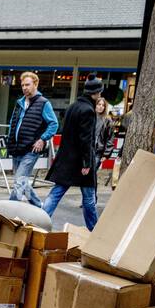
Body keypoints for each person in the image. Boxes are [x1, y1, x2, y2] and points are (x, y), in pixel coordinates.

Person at [42, 75, 108, 230]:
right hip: (80, 162)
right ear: (97, 93)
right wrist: (87, 163)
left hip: (67, 159)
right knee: (89, 199)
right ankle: (94, 230)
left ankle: (41, 221)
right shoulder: (88, 110)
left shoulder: (73, 106)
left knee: (56, 192)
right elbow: (86, 139)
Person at [6, 71, 58, 208]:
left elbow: (54, 124)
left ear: (35, 84)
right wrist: (9, 139)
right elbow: (13, 122)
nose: (24, 88)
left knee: (19, 181)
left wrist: (42, 139)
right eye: (22, 85)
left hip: (31, 149)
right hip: (17, 147)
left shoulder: (43, 103)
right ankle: (39, 206)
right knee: (22, 181)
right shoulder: (19, 103)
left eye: (27, 85)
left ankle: (9, 210)